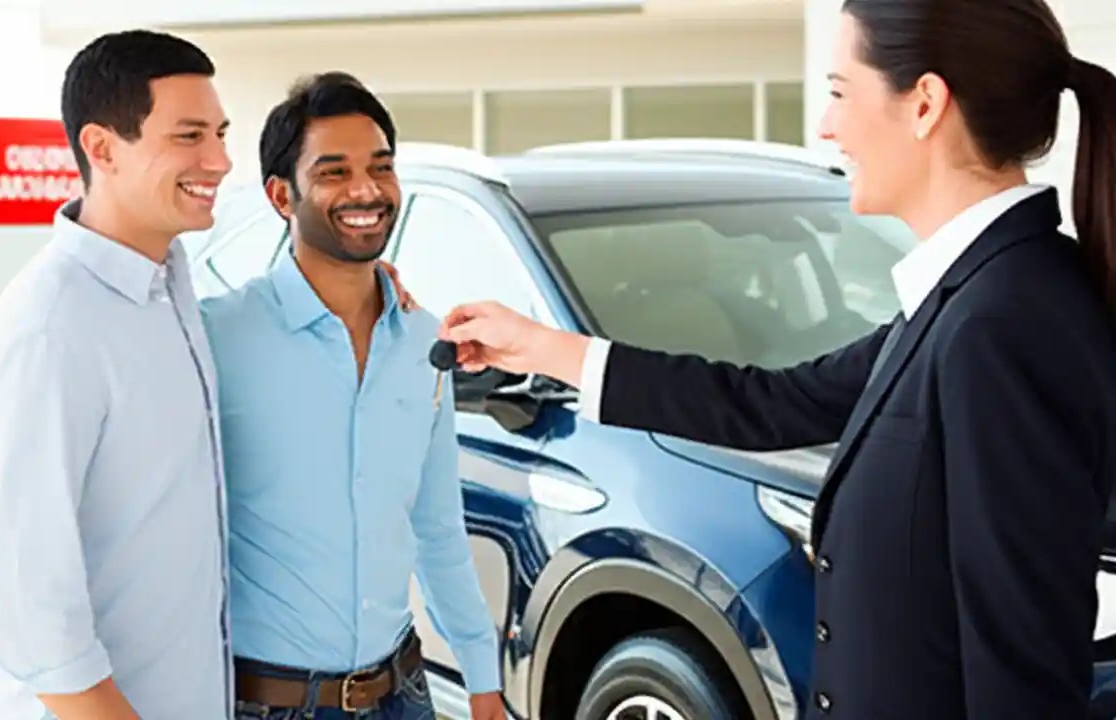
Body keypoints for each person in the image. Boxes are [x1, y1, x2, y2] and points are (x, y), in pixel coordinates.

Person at [438, 2, 1116, 719]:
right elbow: (774, 402)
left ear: (923, 104)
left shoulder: (1003, 321)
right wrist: (547, 349)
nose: (826, 127)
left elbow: (1021, 670)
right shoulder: (968, 299)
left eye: (839, 91)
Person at [200, 71, 506, 720]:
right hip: (268, 704)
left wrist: (483, 681)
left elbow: (438, 528)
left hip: (405, 695)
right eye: (333, 172)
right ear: (282, 196)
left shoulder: (424, 340)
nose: (366, 190)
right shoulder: (215, 334)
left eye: (381, 167)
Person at [0, 30, 236, 720]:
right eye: (190, 136)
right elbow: (32, 616)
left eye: (221, 134)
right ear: (102, 147)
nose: (221, 160)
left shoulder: (171, 288)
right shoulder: (47, 328)